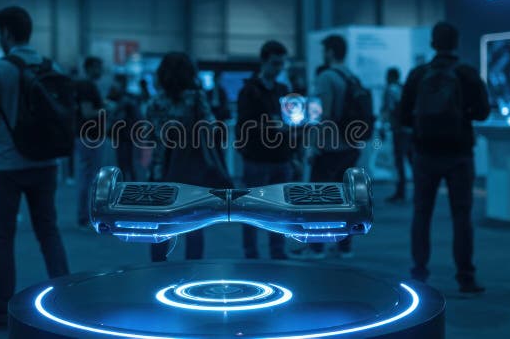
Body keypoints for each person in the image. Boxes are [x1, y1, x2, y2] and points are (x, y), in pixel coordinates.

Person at [0, 6, 70, 328]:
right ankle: (68, 299)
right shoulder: (50, 65)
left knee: (2, 238)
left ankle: (2, 310)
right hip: (46, 163)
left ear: (6, 34)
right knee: (49, 232)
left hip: (7, 165)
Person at [399, 22, 489, 293]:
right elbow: (483, 111)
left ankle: (419, 272)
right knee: (461, 216)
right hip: (459, 154)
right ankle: (465, 277)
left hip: (425, 154)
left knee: (421, 213)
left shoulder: (418, 74)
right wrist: (464, 114)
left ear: (432, 43)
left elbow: (403, 115)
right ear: (456, 43)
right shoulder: (466, 73)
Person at [146, 52, 226, 262]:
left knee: (160, 225)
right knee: (194, 225)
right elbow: (211, 127)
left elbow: (151, 136)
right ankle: (192, 271)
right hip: (193, 169)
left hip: (161, 170)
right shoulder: (197, 98)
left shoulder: (156, 102)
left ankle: (158, 271)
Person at [301, 35, 368, 259]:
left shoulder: (326, 77)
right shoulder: (352, 77)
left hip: (329, 148)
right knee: (346, 199)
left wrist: (312, 146)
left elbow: (321, 115)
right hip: (351, 146)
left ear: (330, 51)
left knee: (318, 199)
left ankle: (317, 246)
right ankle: (344, 245)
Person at [236, 41, 293, 260]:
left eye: (281, 64)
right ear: (264, 61)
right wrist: (271, 125)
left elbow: (290, 124)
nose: (278, 68)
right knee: (250, 208)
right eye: (275, 63)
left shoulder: (283, 90)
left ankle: (277, 250)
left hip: (281, 157)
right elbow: (244, 125)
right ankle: (251, 252)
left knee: (278, 209)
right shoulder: (249, 91)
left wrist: (292, 149)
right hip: (256, 158)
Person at [74, 56, 105, 229]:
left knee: (87, 176)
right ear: (91, 67)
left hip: (87, 136)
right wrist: (106, 108)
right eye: (99, 67)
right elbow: (87, 112)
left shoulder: (83, 85)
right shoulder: (86, 86)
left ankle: (84, 215)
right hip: (90, 137)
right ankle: (86, 215)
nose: (101, 71)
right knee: (90, 177)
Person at [382, 67, 410, 203]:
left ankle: (401, 191)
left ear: (390, 76)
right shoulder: (403, 88)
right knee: (410, 160)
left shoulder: (391, 90)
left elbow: (389, 109)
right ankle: (414, 193)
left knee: (399, 161)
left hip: (398, 130)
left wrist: (384, 126)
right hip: (408, 130)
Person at [106, 74, 140, 181]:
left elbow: (136, 115)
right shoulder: (118, 96)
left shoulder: (127, 97)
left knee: (127, 161)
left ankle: (128, 184)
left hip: (126, 132)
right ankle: (126, 183)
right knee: (123, 161)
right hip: (122, 133)